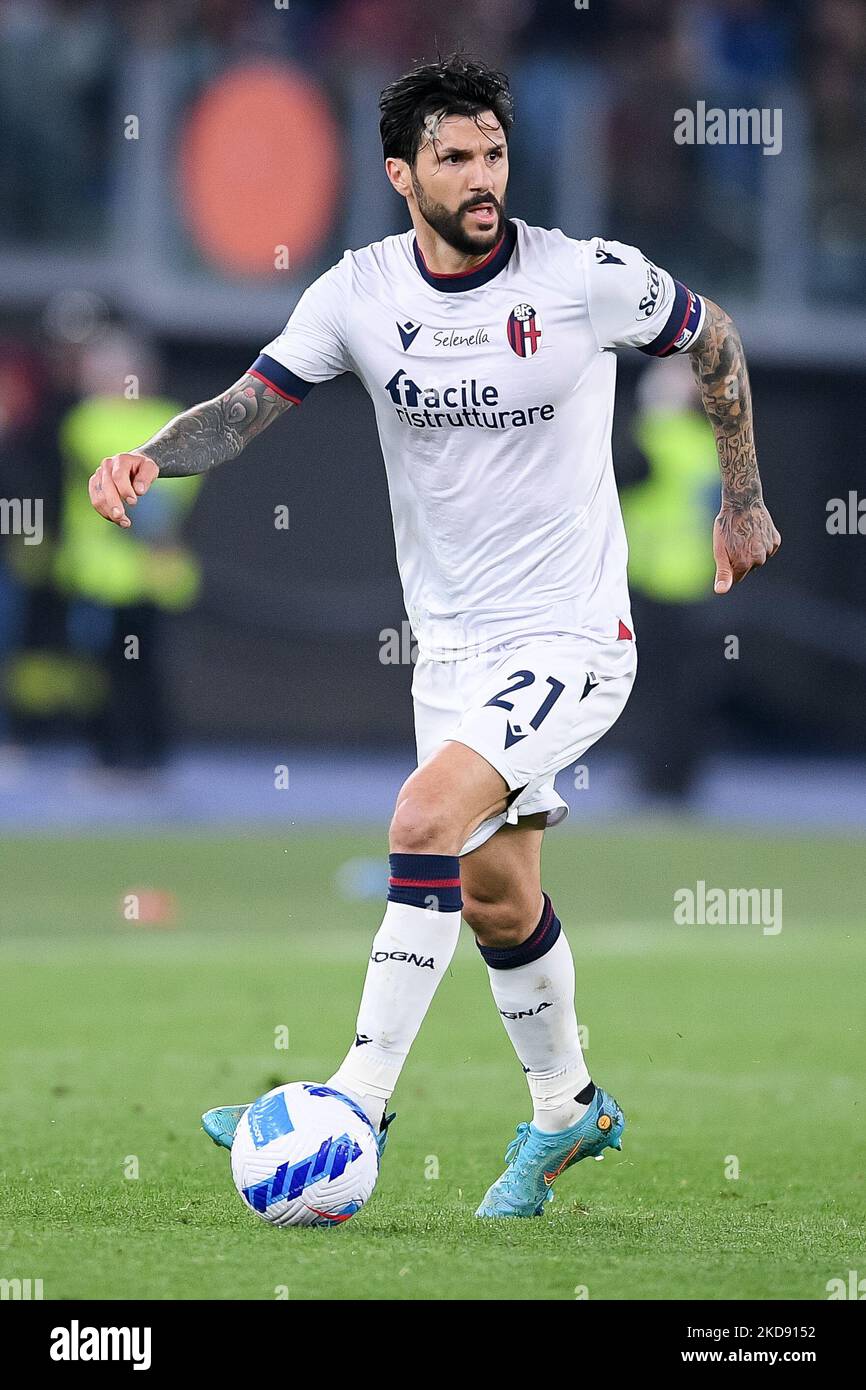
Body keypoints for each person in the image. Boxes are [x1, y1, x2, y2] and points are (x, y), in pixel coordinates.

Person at [87, 54, 781, 1219]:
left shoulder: (581, 279)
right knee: (496, 897)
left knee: (417, 818)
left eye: (493, 154)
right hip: (449, 647)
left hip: (570, 635)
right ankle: (567, 1112)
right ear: (400, 172)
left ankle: (348, 1102)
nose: (480, 177)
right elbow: (250, 404)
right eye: (453, 158)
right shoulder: (356, 294)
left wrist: (745, 495)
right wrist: (154, 451)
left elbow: (714, 339)